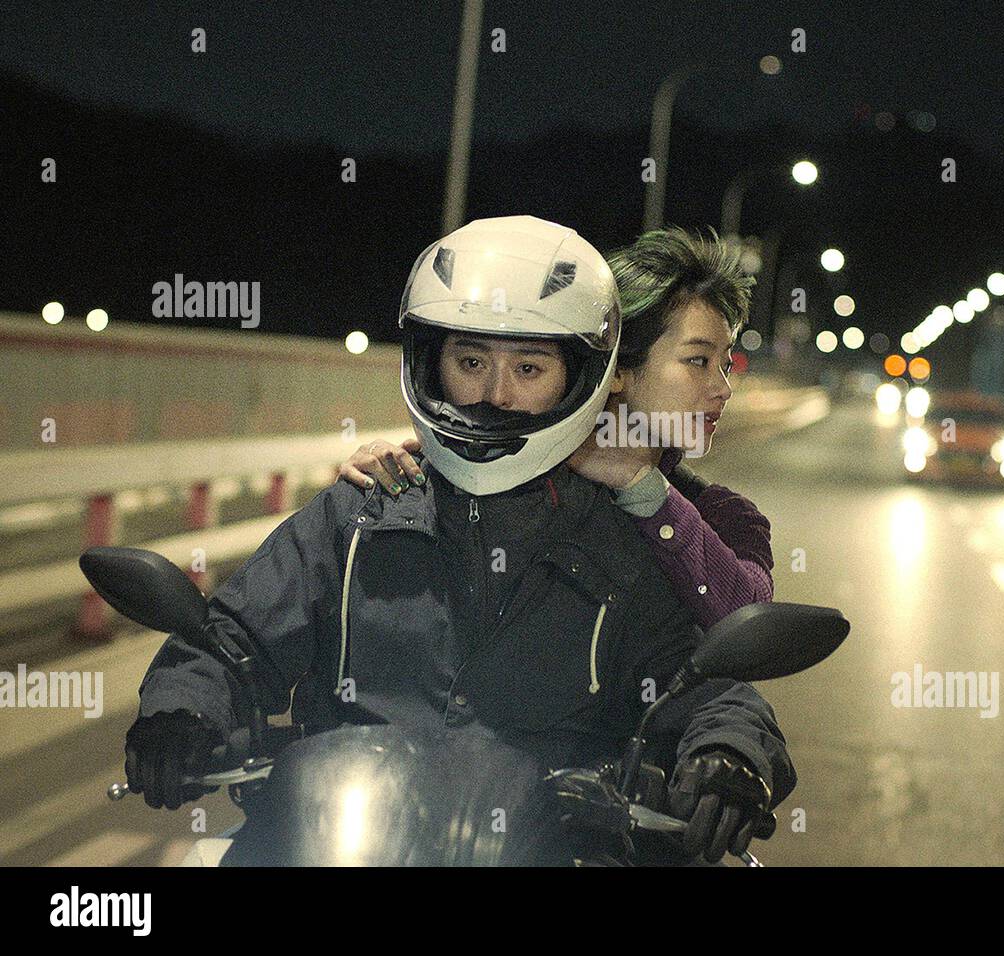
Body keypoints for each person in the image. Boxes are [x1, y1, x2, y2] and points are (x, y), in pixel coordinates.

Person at [125, 216, 791, 863]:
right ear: (429, 362)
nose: (493, 396)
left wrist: (727, 756)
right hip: (333, 842)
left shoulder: (623, 535)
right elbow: (234, 638)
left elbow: (703, 682)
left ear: (587, 376)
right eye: (470, 361)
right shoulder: (364, 508)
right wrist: (182, 713)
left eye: (529, 370)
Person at [340, 227, 773, 630]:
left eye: (725, 363)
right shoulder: (503, 478)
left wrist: (643, 488)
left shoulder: (722, 515)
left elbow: (748, 625)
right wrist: (396, 474)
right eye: (698, 360)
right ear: (616, 367)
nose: (723, 389)